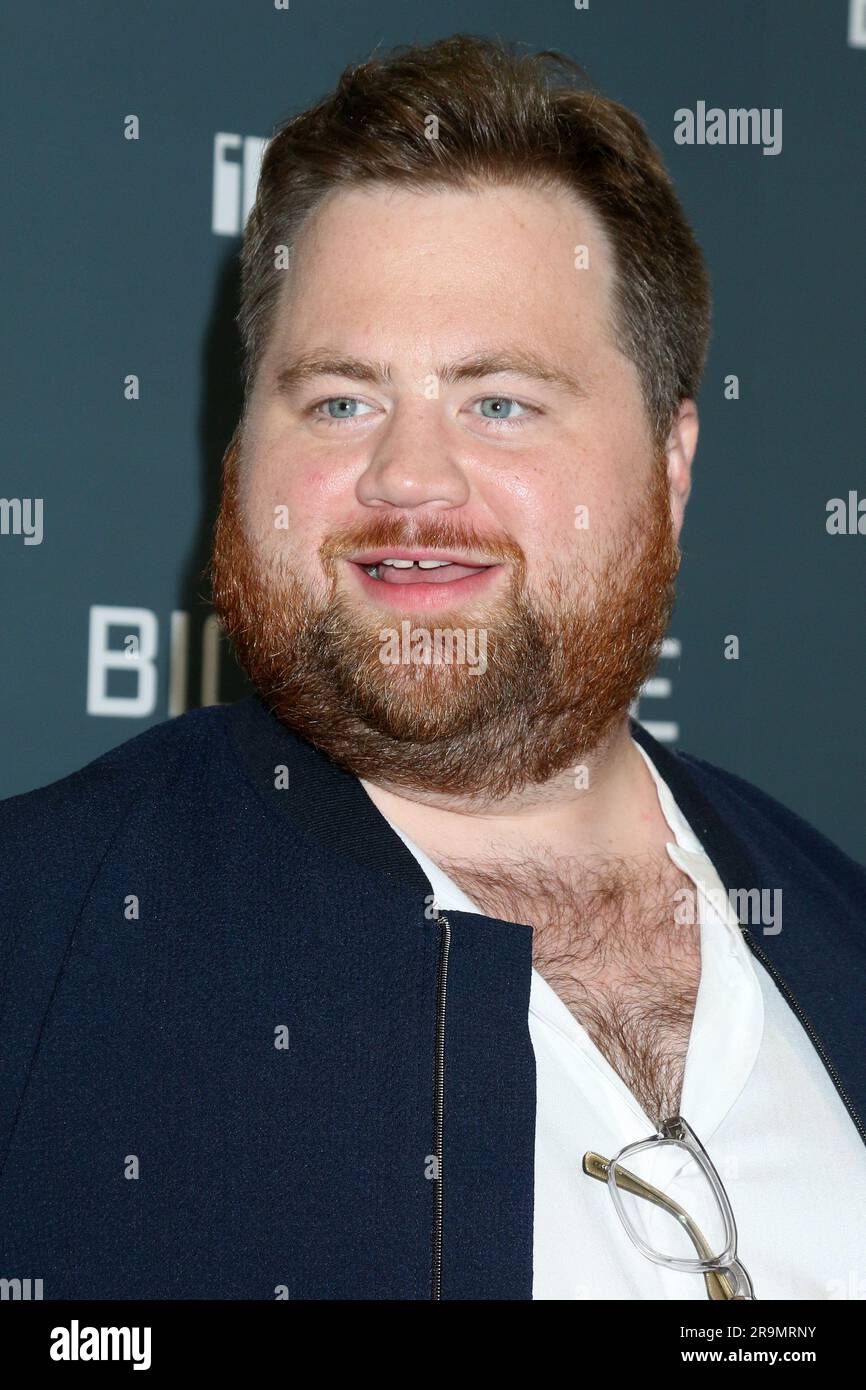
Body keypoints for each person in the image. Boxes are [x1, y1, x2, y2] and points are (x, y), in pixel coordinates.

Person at [1, 34, 864, 1302]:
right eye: (340, 400)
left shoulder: (836, 929)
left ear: (670, 467)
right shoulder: (38, 943)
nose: (408, 477)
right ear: (241, 450)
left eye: (499, 400)